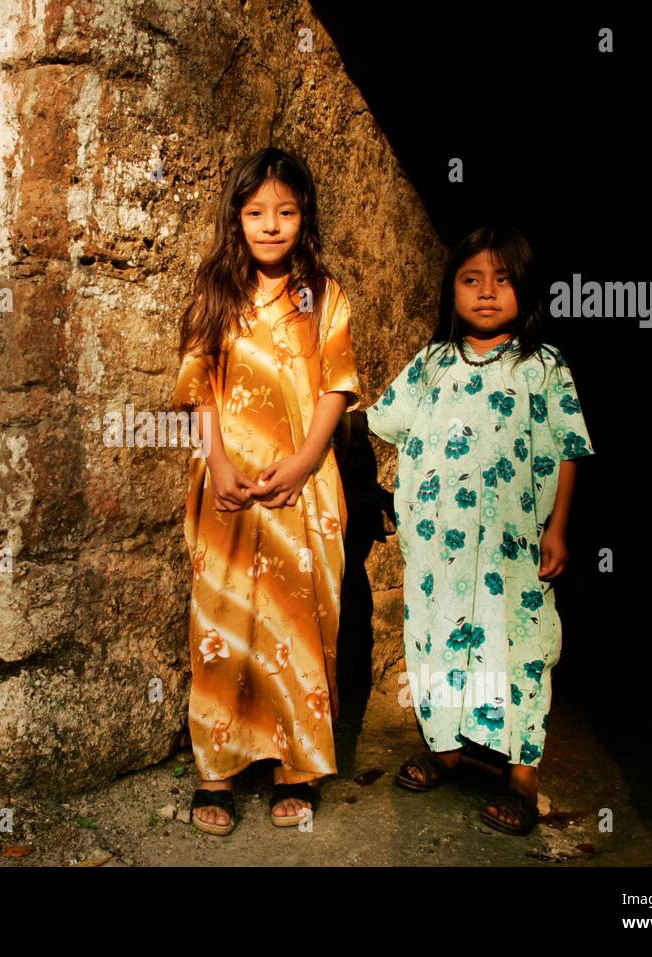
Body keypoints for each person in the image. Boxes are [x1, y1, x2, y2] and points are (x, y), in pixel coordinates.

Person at [366, 225, 595, 836]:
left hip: (512, 547)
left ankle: (521, 772)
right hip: (440, 547)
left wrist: (559, 529)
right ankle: (444, 746)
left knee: (521, 645)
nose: (487, 291)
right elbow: (384, 422)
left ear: (527, 290)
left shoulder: (543, 366)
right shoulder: (433, 364)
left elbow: (568, 449)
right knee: (436, 639)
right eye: (472, 279)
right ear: (452, 290)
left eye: (503, 279)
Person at [170, 147, 363, 835]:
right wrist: (218, 463)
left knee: (299, 621)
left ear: (304, 216)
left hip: (302, 490)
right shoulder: (215, 291)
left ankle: (295, 768)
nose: (271, 225)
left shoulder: (324, 296)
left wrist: (306, 462)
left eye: (285, 211)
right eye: (256, 213)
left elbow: (337, 387)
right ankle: (216, 771)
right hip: (230, 488)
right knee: (222, 623)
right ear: (237, 218)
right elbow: (199, 388)